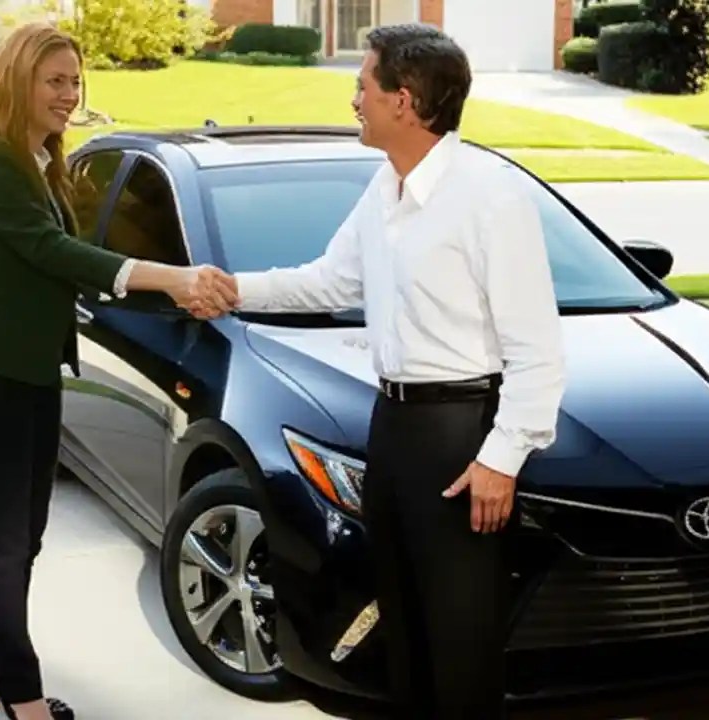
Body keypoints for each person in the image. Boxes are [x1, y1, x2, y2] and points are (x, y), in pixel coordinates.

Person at [221, 23, 566, 719]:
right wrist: (231, 289)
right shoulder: (386, 187)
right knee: (403, 622)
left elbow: (537, 349)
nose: (354, 99)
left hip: (460, 434)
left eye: (363, 85)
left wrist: (501, 458)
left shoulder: (489, 196)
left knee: (460, 634)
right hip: (394, 427)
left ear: (404, 101)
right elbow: (328, 282)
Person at [0, 22, 237, 720]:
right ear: (18, 82)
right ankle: (24, 696)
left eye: (76, 82)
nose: (70, 95)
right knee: (6, 540)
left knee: (22, 535)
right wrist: (170, 278)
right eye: (56, 81)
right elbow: (55, 254)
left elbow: (68, 254)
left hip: (28, 368)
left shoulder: (40, 160)